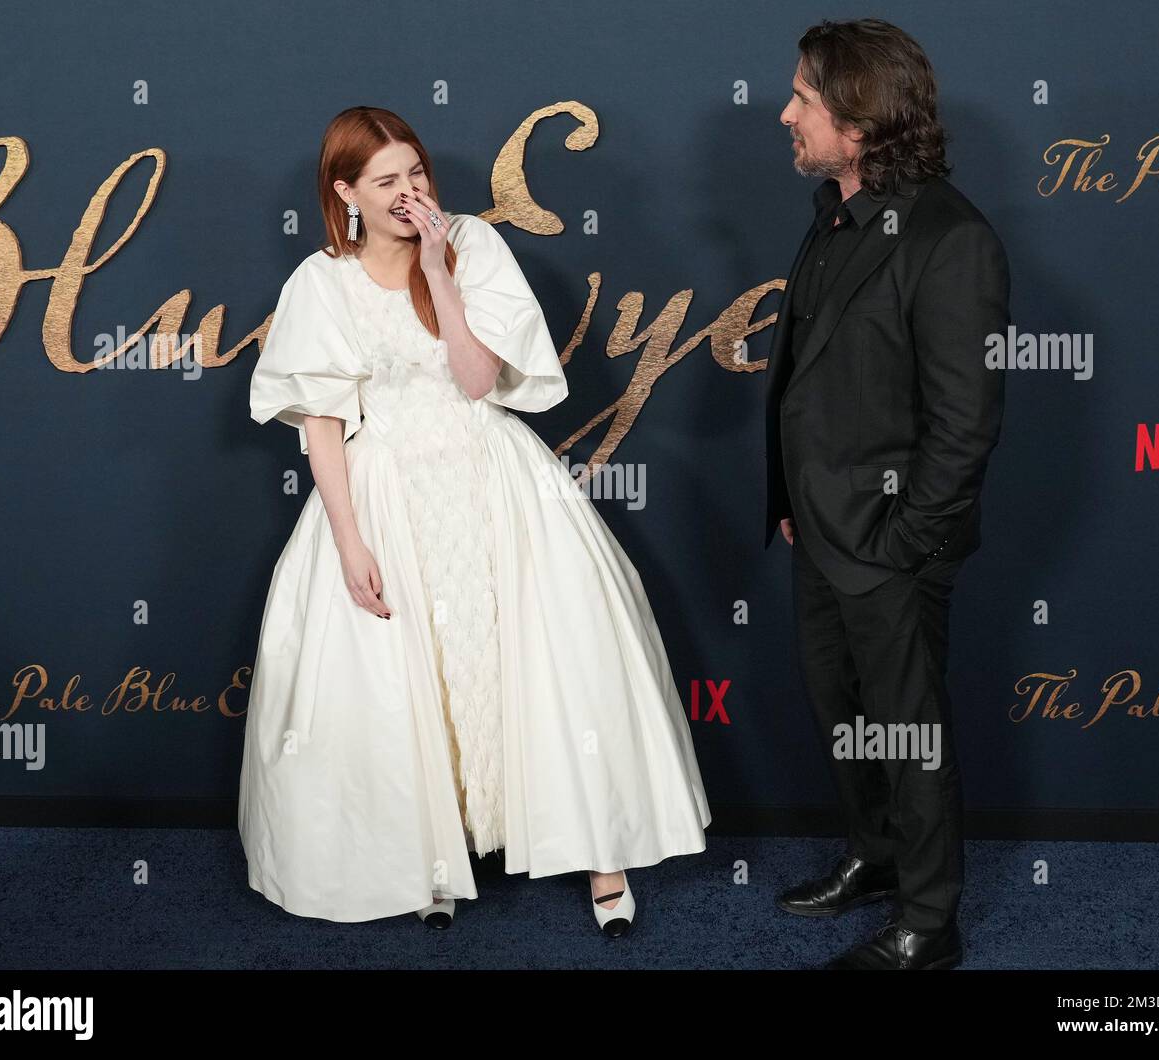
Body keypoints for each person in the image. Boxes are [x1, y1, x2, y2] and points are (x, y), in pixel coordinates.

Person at [237, 107, 710, 938]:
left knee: (554, 657)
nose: (407, 192)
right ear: (344, 191)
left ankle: (602, 858)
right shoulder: (322, 282)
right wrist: (349, 541)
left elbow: (478, 378)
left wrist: (439, 269)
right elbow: (320, 426)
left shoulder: (473, 245)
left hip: (494, 476)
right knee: (404, 674)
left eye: (415, 174)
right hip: (385, 489)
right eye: (384, 181)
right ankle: (431, 859)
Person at [764, 20, 1010, 969]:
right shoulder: (834, 212)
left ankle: (929, 920)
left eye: (803, 99)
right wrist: (793, 496)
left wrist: (906, 541)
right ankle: (872, 857)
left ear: (858, 121)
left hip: (891, 545)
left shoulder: (953, 242)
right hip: (821, 531)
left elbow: (966, 423)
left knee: (909, 732)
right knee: (844, 712)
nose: (785, 114)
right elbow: (813, 380)